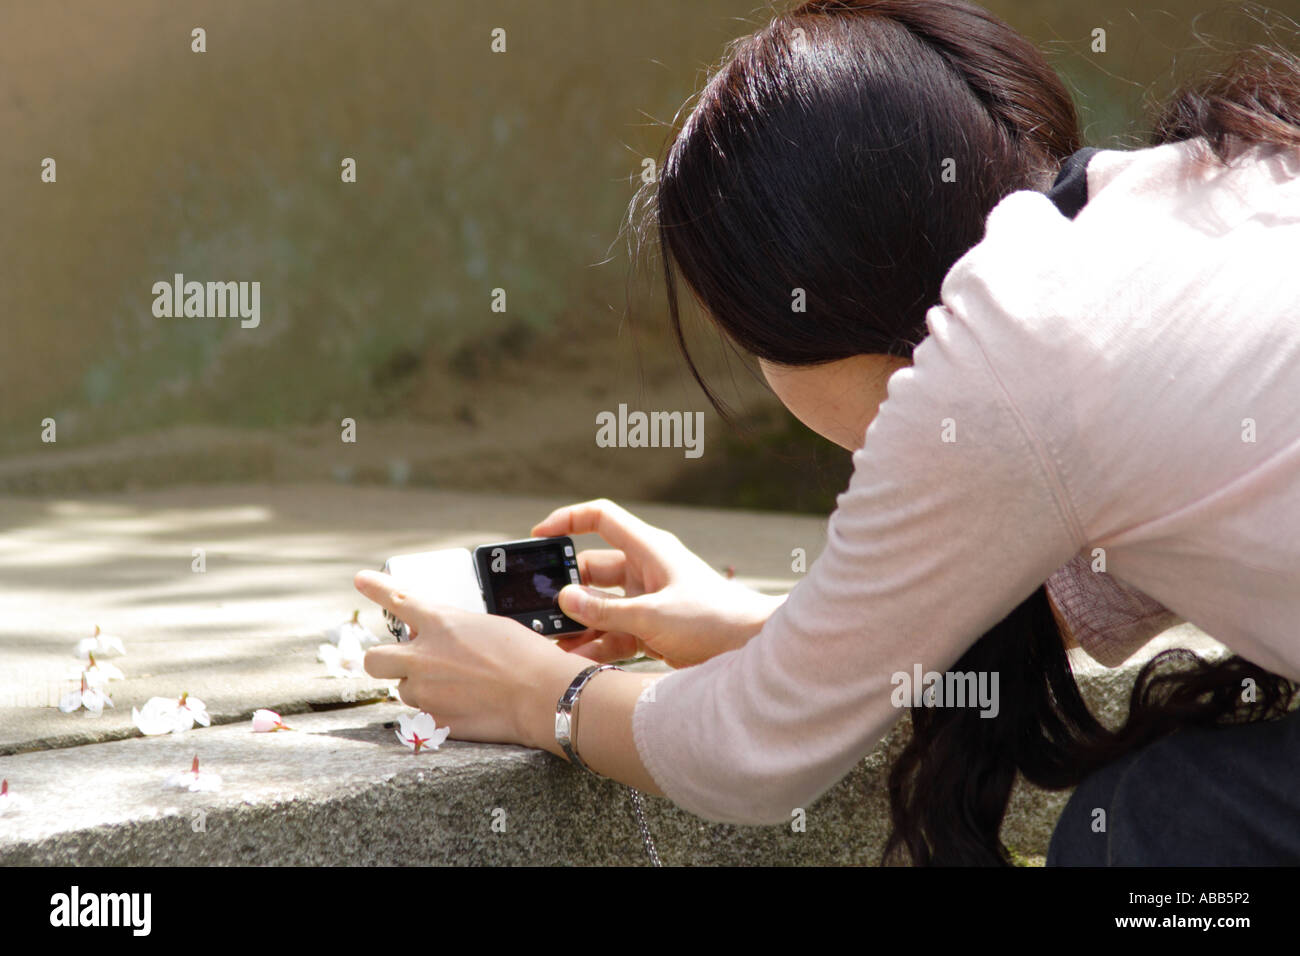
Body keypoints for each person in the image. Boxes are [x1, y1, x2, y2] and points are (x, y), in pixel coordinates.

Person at [358, 0, 1300, 865]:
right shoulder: (1181, 202)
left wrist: (538, 696)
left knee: (1158, 838)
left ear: (795, 310)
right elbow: (1029, 588)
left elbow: (750, 755)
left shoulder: (1003, 359)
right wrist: (767, 636)